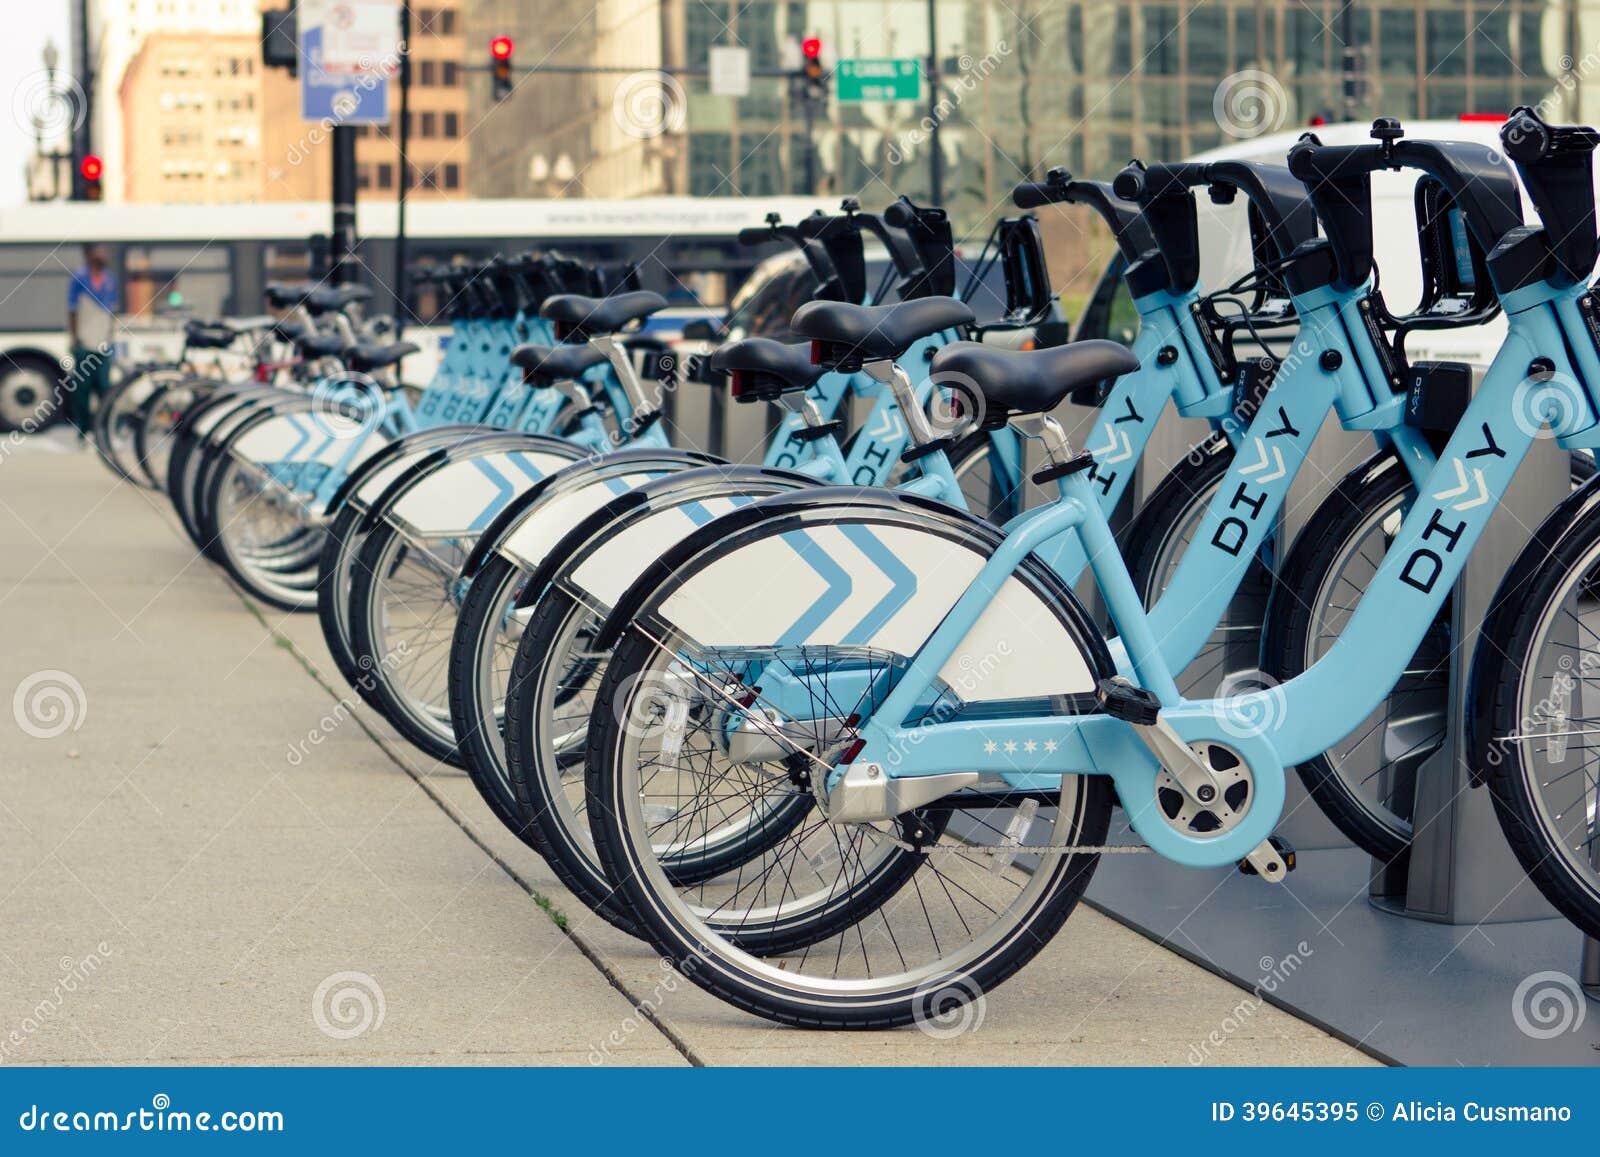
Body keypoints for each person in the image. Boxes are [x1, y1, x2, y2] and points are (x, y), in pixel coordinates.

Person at [66, 244, 118, 441]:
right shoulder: (79, 279)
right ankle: (83, 429)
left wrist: (110, 337)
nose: (103, 255)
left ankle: (103, 428)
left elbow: (112, 312)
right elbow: (72, 310)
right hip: (84, 343)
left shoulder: (110, 279)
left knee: (104, 387)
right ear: (88, 255)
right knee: (82, 389)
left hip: (103, 343)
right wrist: (74, 338)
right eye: (99, 251)